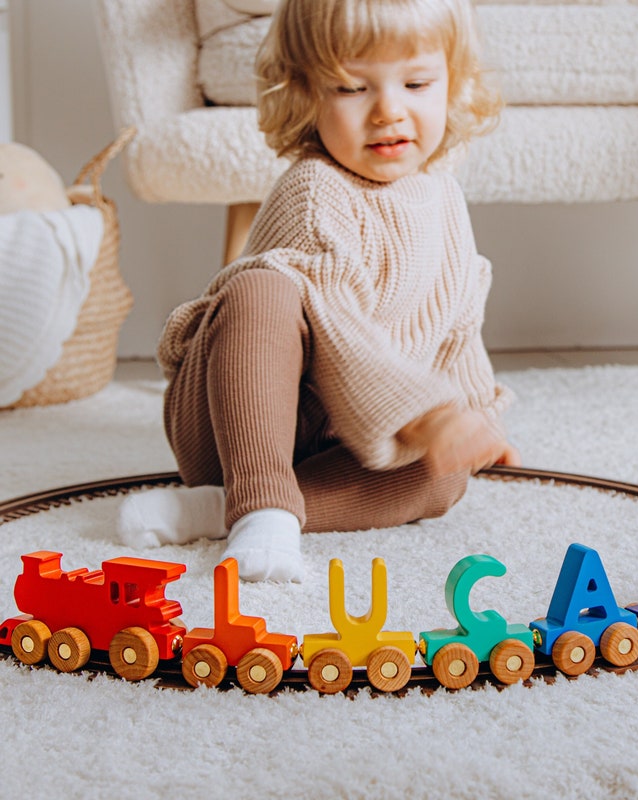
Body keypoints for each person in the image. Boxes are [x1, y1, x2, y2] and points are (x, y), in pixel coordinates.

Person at [117, 0, 520, 582]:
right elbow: (342, 333)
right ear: (305, 92)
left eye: (416, 82)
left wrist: (473, 416)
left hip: (352, 437)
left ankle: (228, 507)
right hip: (235, 418)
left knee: (444, 478)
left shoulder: (443, 196)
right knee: (262, 288)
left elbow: (455, 321)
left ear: (452, 82)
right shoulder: (315, 190)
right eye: (352, 88)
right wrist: (431, 417)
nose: (389, 111)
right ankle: (257, 498)